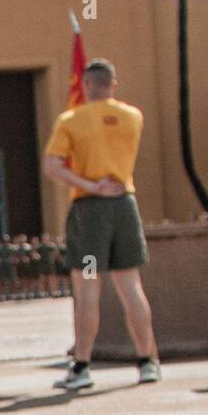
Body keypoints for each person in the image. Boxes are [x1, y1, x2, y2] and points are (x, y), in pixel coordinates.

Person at [44, 58, 160, 390]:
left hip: (90, 207)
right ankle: (147, 361)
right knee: (131, 288)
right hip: (125, 202)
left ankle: (82, 366)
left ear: (85, 84)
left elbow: (53, 166)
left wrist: (90, 183)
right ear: (113, 83)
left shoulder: (72, 119)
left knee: (87, 290)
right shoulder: (132, 116)